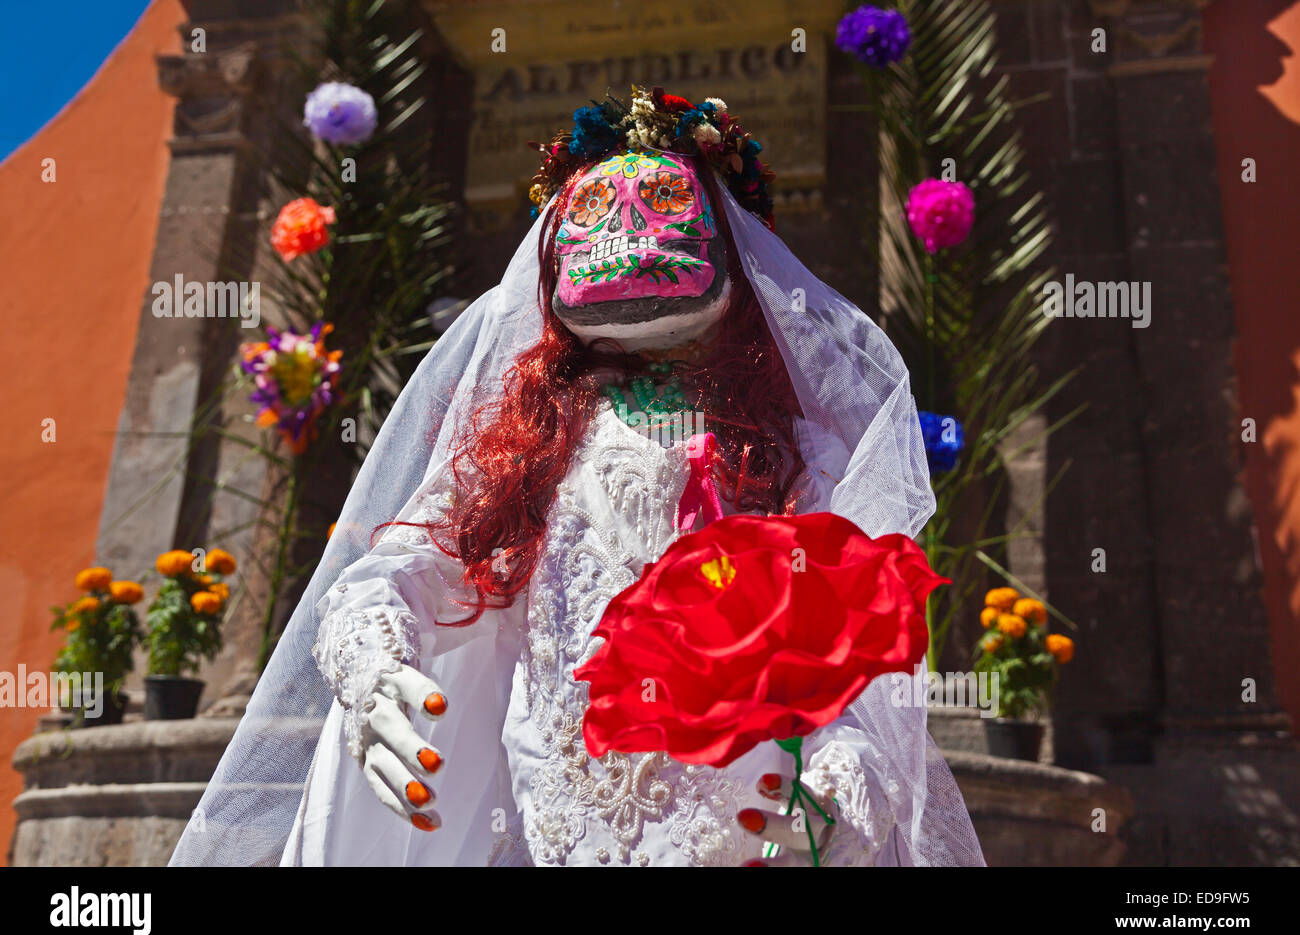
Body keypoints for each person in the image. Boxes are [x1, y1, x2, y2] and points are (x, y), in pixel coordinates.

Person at [171, 87, 984, 867]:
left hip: (743, 829)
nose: (627, 234)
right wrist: (375, 668)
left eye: (663, 205)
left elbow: (852, 643)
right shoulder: (527, 447)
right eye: (593, 214)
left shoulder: (789, 450)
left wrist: (843, 781)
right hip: (550, 828)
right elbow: (399, 571)